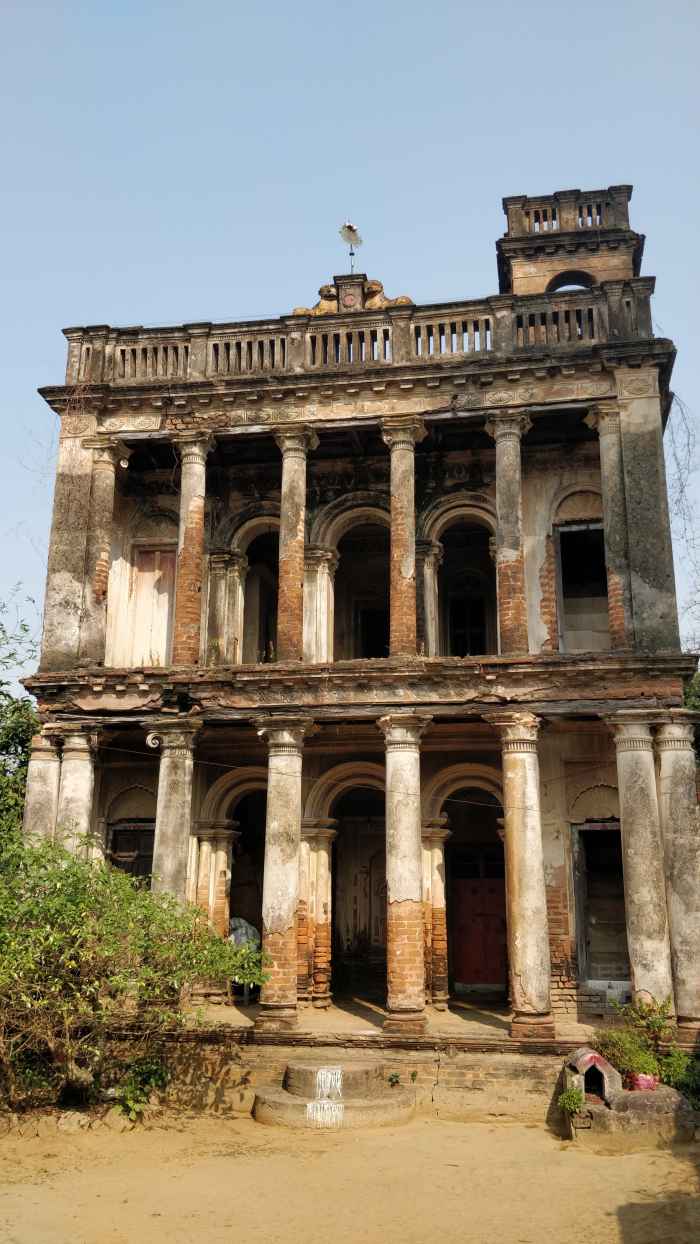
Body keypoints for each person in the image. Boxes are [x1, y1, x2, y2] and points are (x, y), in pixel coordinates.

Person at [228, 916, 261, 1006]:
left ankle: (245, 998)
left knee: (239, 977)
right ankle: (247, 998)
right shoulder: (253, 929)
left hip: (239, 957)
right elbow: (257, 941)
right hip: (251, 956)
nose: (230, 927)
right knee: (248, 978)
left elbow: (230, 944)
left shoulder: (236, 933)